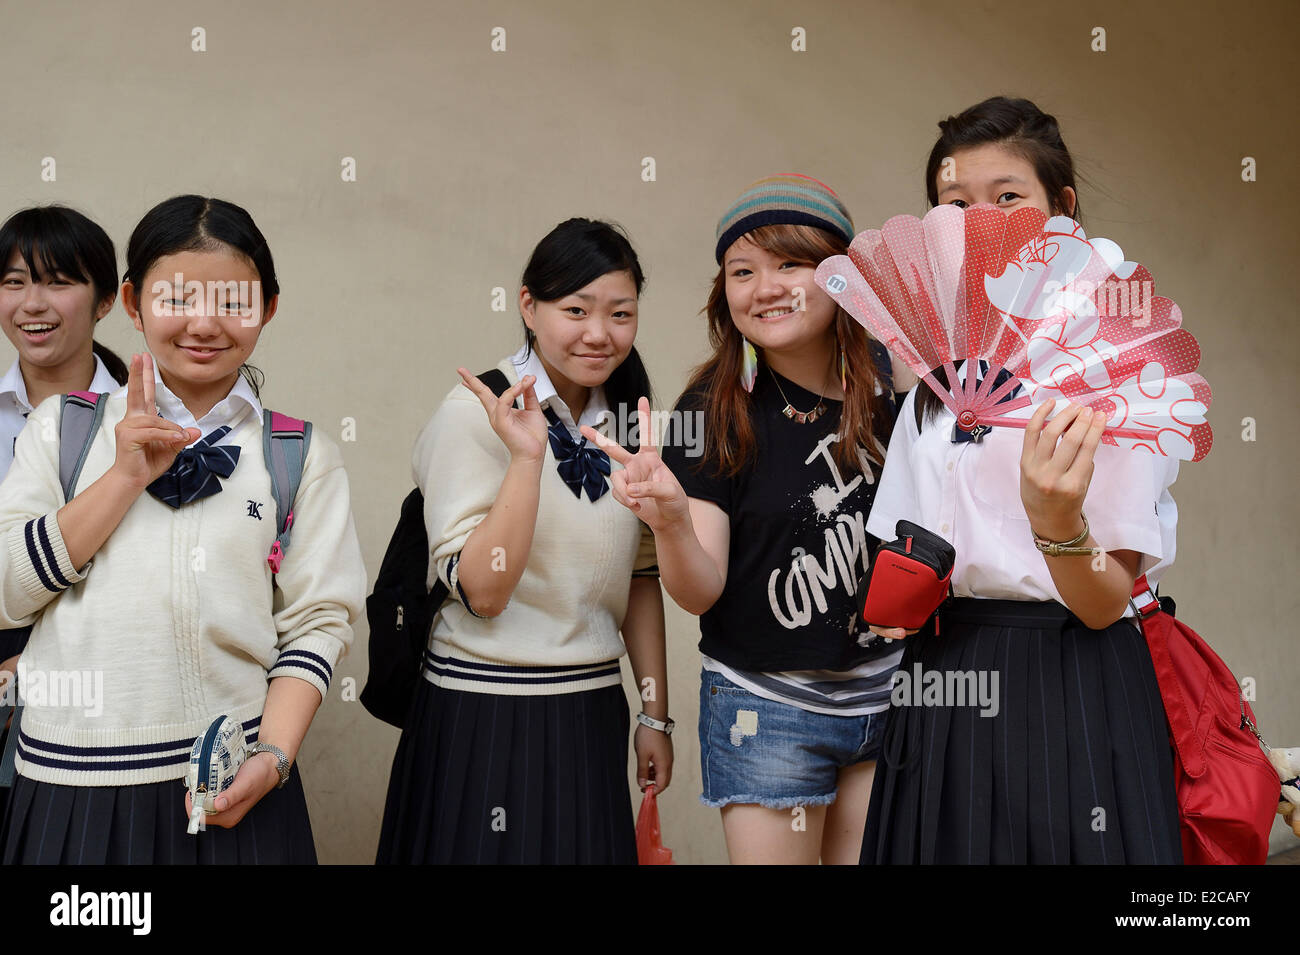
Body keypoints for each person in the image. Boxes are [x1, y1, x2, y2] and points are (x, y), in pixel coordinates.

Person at [858, 96, 1183, 864]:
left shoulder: (1123, 363)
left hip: (1070, 676)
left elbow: (1105, 599)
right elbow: (901, 549)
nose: (979, 223)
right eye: (954, 204)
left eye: (1008, 197)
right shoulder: (937, 377)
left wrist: (1055, 520)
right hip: (941, 677)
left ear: (1062, 209)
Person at [0, 195, 366, 864]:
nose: (204, 323)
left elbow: (318, 622)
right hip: (72, 782)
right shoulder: (62, 429)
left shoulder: (298, 452)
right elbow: (8, 594)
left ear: (268, 308)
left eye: (233, 301)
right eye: (176, 298)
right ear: (133, 303)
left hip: (234, 781)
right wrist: (122, 477)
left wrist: (273, 758)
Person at [583, 175, 906, 864]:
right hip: (767, 708)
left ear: (841, 276)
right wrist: (672, 521)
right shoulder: (711, 408)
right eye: (742, 271)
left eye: (790, 263)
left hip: (888, 695)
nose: (765, 288)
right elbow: (700, 591)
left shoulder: (890, 385)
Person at [376, 218, 671, 865]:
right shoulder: (474, 413)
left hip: (591, 711)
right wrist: (527, 459)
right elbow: (483, 592)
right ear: (529, 307)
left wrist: (654, 716)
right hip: (482, 714)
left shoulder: (628, 421)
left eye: (621, 313)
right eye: (576, 310)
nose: (599, 333)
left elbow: (640, 580)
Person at [0, 206, 129, 828]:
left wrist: (38, 663)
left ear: (106, 300)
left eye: (58, 282)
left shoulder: (151, 420)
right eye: (14, 282)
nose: (33, 303)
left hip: (108, 686)